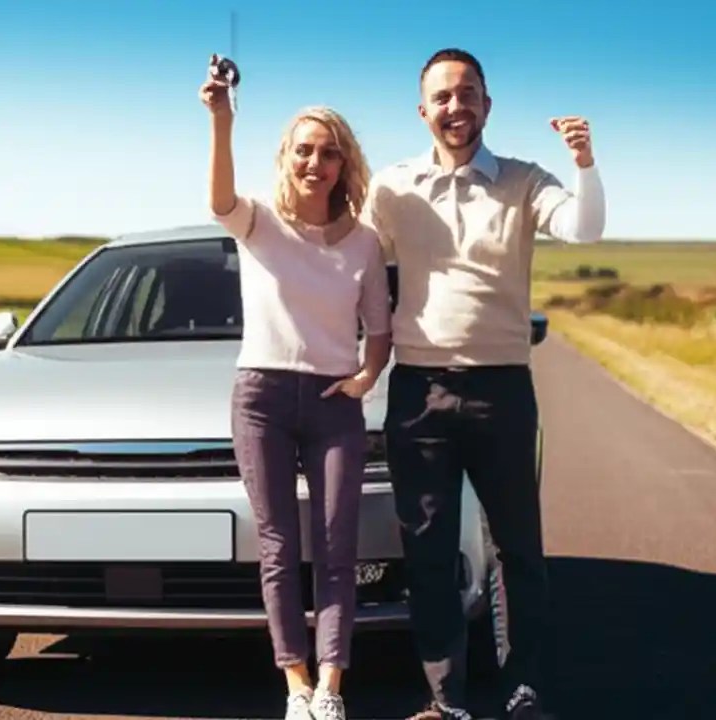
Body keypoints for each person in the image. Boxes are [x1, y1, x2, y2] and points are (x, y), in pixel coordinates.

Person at [362, 48, 607, 720]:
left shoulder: (525, 180)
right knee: (430, 552)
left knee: (519, 547)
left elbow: (583, 228)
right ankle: (448, 698)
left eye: (467, 93)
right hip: (418, 392)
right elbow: (349, 261)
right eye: (442, 96)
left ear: (486, 105)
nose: (455, 107)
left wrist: (584, 163)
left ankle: (523, 683)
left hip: (502, 390)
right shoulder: (392, 188)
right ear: (423, 112)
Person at [199, 56, 393, 720]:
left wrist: (366, 377)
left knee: (338, 546)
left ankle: (333, 692)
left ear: (344, 164)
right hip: (263, 399)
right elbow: (218, 200)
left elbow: (380, 327)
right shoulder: (257, 221)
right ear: (286, 156)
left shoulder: (365, 242)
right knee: (280, 544)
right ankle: (297, 688)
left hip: (335, 406)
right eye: (304, 150)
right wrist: (222, 120)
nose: (316, 163)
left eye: (329, 153)